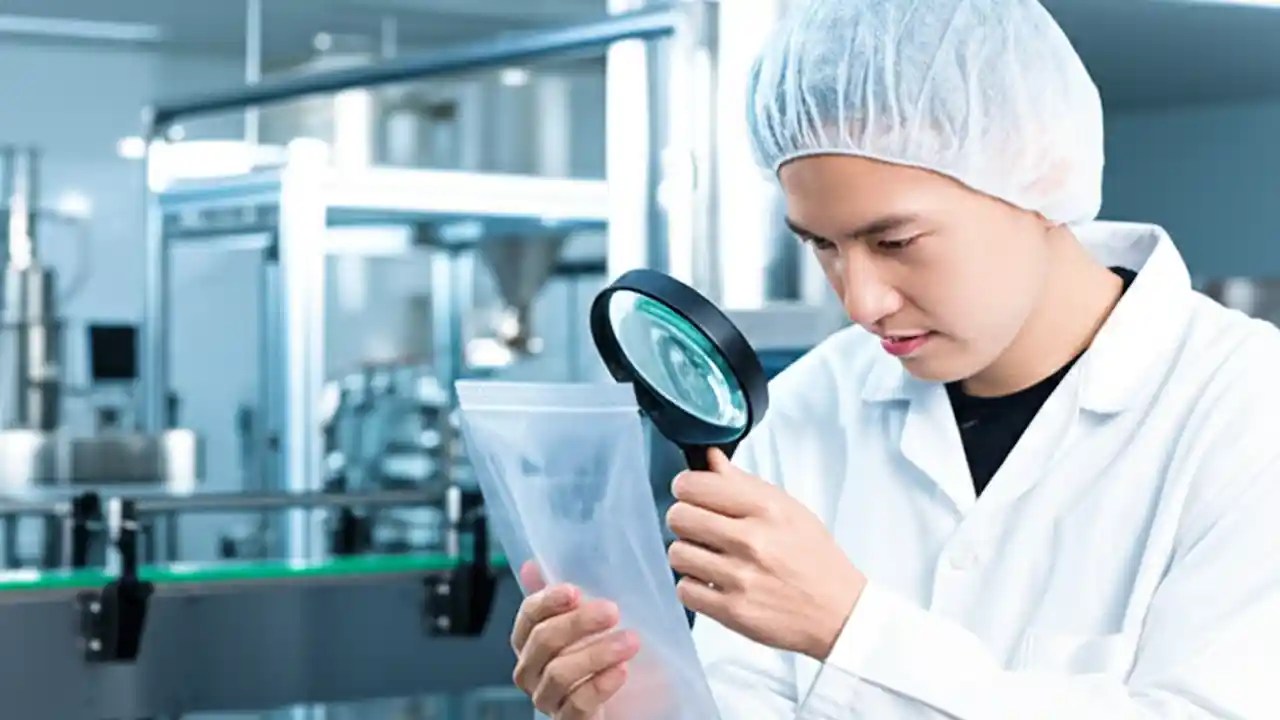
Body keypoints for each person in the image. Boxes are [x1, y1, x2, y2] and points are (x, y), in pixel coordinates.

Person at [507, 0, 1280, 717]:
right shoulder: (816, 402)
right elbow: (748, 695)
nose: (860, 301)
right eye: (821, 245)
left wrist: (853, 629)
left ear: (1039, 181)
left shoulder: (1246, 407)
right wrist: (646, 701)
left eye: (895, 242)